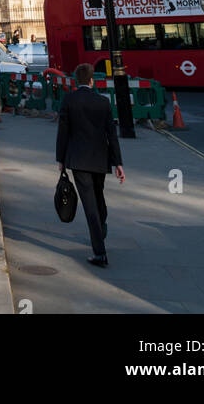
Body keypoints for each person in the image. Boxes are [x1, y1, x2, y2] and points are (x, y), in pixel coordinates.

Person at [56, 62, 125, 268]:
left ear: (76, 81)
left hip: (78, 159)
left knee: (89, 206)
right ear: (92, 81)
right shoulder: (103, 102)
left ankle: (99, 252)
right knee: (98, 195)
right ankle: (101, 228)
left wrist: (60, 159)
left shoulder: (69, 100)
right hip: (100, 159)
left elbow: (63, 132)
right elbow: (111, 135)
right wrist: (118, 162)